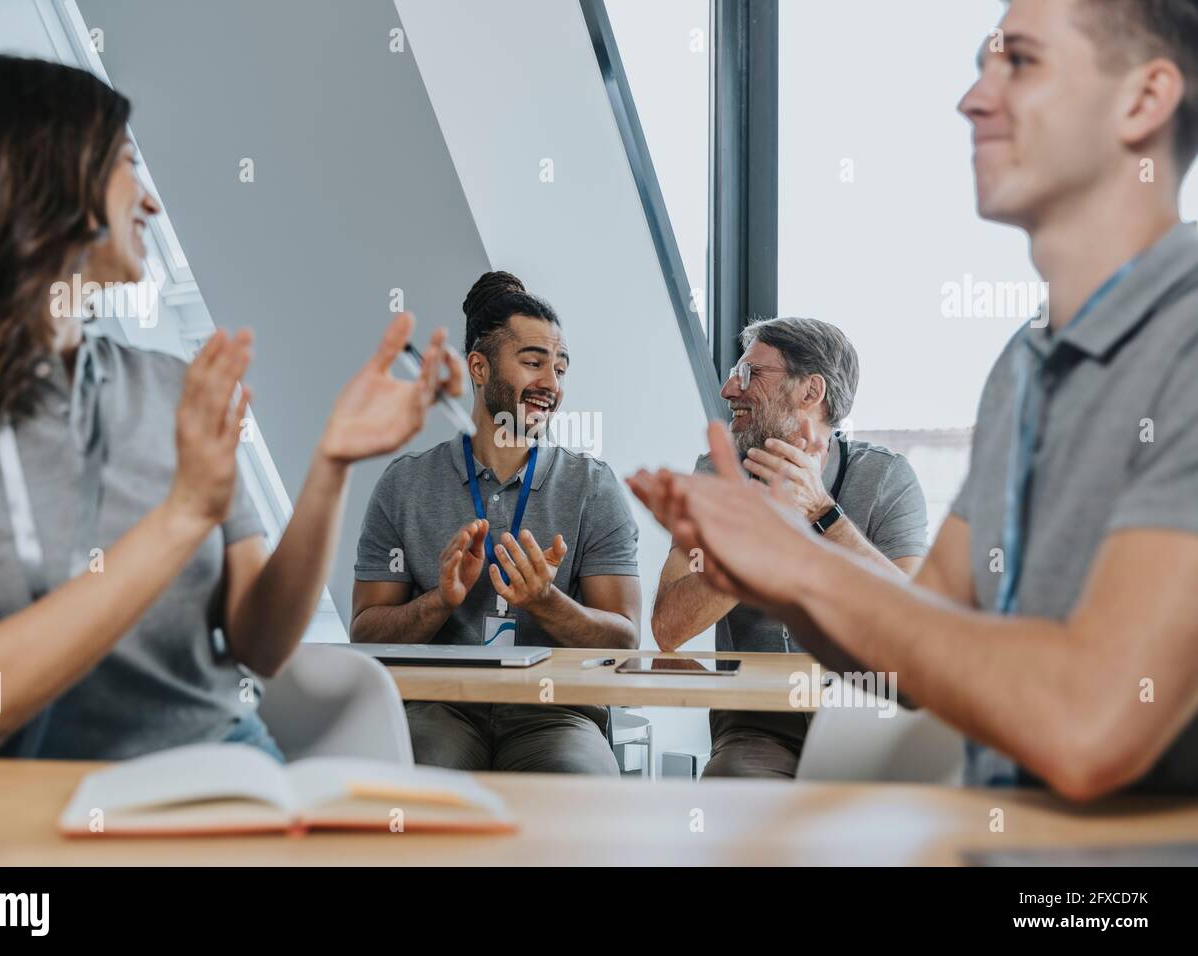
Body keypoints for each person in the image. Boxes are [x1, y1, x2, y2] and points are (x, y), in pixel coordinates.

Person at [629, 0, 1198, 800]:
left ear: (1143, 101)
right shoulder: (1024, 368)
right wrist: (769, 565)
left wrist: (801, 551)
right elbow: (917, 642)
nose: (972, 97)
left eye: (1020, 62)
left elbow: (1089, 726)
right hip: (1000, 831)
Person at [0, 55, 464, 761]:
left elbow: (260, 644)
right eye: (127, 163)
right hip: (31, 811)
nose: (152, 201)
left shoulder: (173, 387)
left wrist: (329, 468)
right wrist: (183, 514)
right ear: (50, 173)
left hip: (220, 772)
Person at [351, 271, 641, 775]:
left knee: (581, 787)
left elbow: (624, 642)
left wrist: (545, 602)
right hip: (440, 708)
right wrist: (439, 600)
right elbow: (367, 633)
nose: (551, 384)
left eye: (561, 369)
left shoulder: (592, 486)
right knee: (417, 786)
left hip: (557, 712)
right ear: (479, 368)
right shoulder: (405, 485)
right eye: (533, 363)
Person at [652, 317, 927, 778]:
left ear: (810, 392)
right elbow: (667, 629)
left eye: (750, 374)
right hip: (756, 726)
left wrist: (822, 512)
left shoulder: (886, 479)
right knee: (732, 792)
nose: (727, 390)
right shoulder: (718, 475)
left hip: (865, 718)